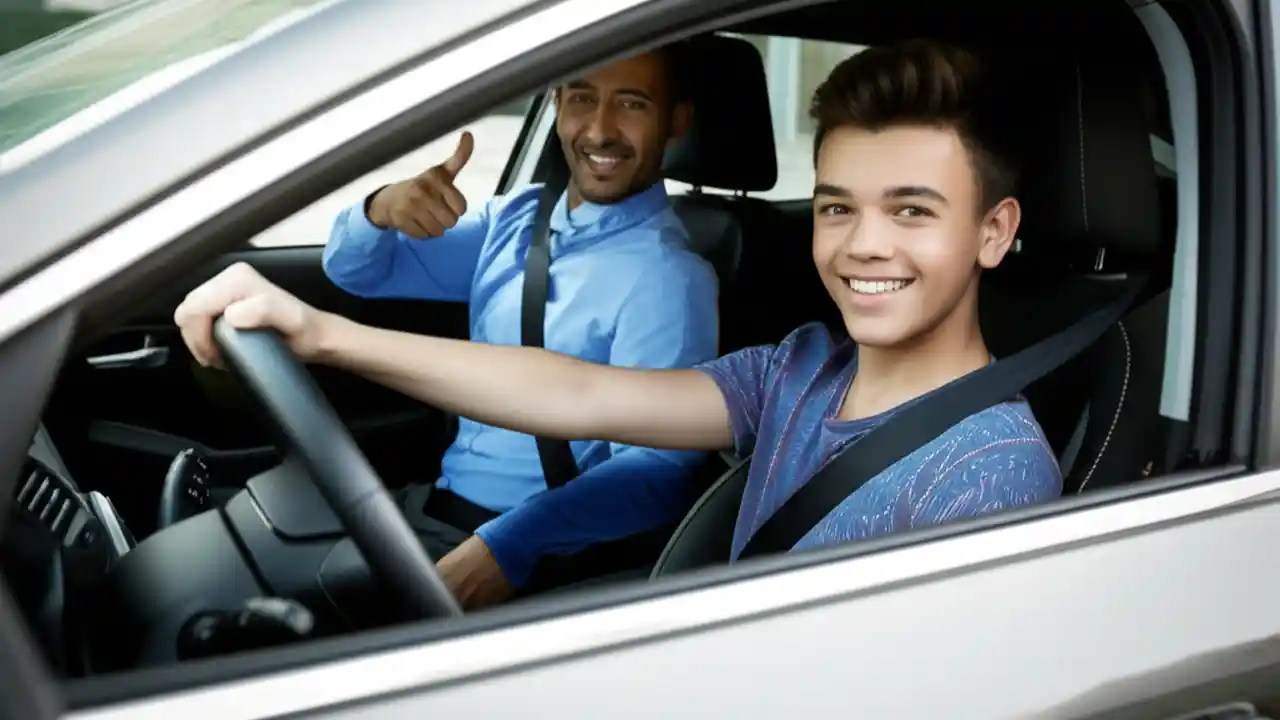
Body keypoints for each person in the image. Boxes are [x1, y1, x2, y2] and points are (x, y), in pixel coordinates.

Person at [175, 38, 1061, 603]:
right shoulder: (796, 368)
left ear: (993, 232)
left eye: (911, 212)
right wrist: (322, 333)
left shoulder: (990, 475)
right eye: (836, 209)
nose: (864, 247)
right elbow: (580, 392)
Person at [315, 43, 719, 608]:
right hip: (435, 506)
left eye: (632, 104)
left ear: (675, 122)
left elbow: (661, 466)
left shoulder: (671, 278)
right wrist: (382, 208)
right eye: (581, 97)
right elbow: (356, 270)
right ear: (557, 104)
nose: (600, 130)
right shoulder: (517, 218)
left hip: (529, 552)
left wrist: (513, 546)